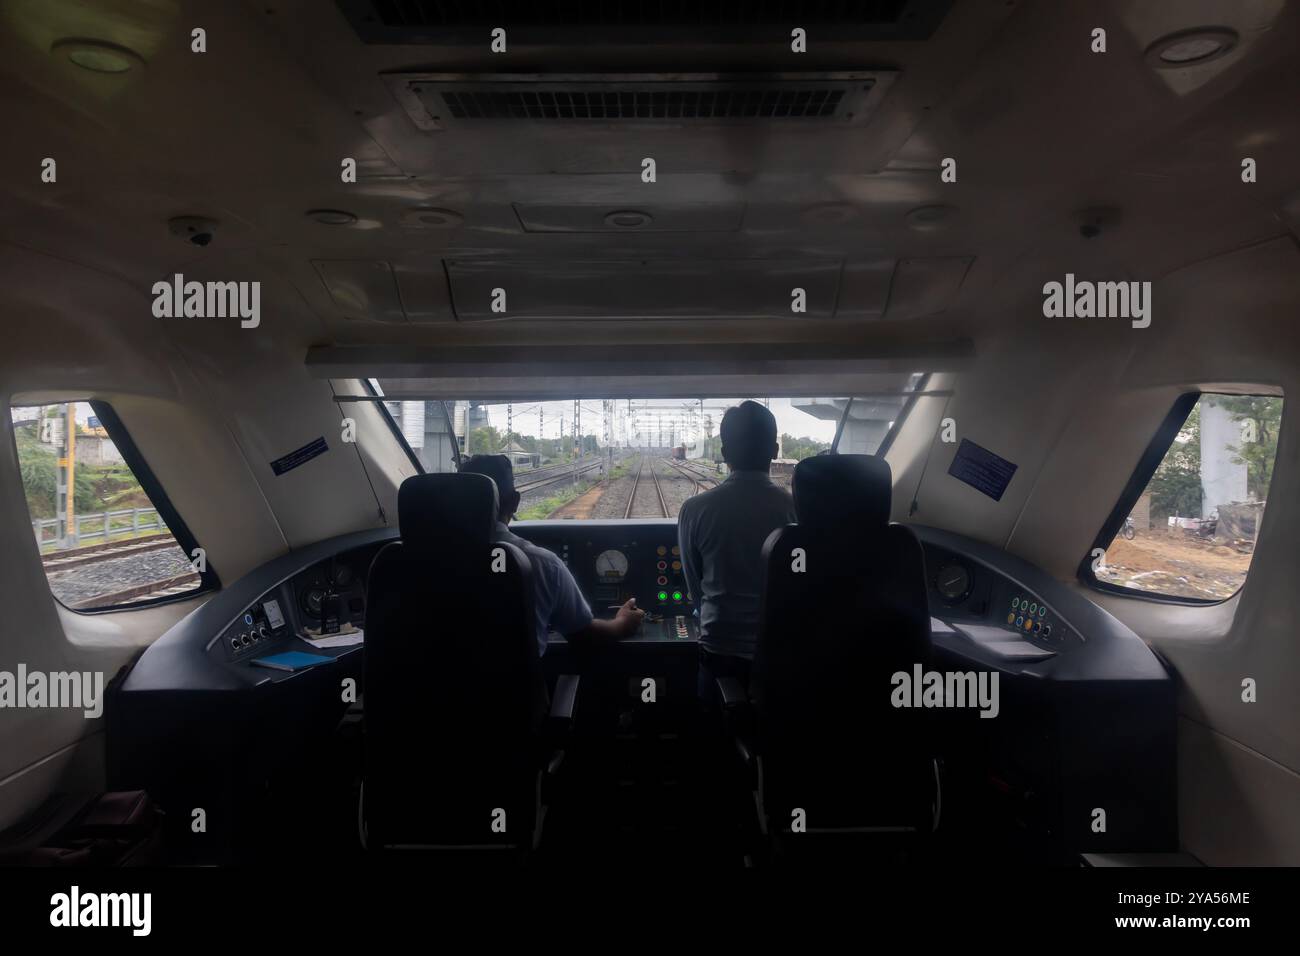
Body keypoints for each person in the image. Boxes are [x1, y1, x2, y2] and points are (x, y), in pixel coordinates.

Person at [459, 454, 643, 656]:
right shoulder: (541, 564)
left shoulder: (422, 559)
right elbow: (585, 638)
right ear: (515, 502)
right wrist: (621, 623)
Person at [676, 401, 797, 706]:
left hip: (720, 654)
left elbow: (695, 587)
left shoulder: (695, 510)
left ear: (724, 453)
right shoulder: (797, 511)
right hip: (782, 659)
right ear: (774, 449)